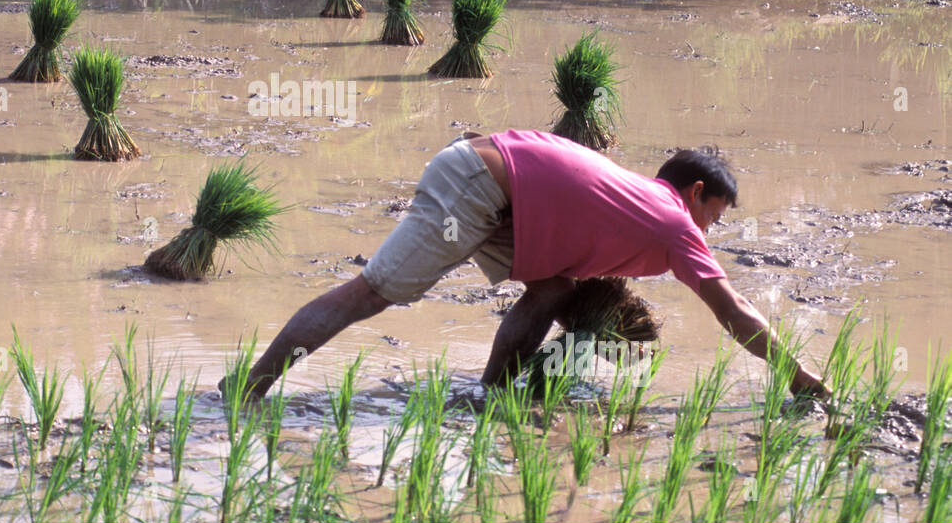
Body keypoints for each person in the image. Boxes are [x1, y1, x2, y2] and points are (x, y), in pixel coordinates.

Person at [230, 129, 830, 400]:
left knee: (553, 290)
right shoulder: (672, 218)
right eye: (712, 219)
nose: (707, 235)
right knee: (369, 294)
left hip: (496, 184)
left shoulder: (636, 197)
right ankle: (247, 388)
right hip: (477, 186)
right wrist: (798, 374)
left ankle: (490, 395)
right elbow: (733, 311)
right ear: (694, 193)